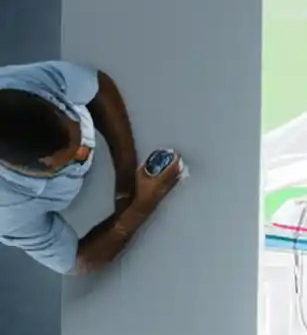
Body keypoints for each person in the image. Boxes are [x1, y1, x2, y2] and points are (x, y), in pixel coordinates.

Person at [0, 61, 181, 275]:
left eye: (73, 118)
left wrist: (125, 181)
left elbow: (98, 86)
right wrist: (140, 207)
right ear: (29, 172)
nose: (84, 150)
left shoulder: (21, 83)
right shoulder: (9, 213)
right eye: (71, 159)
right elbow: (78, 260)